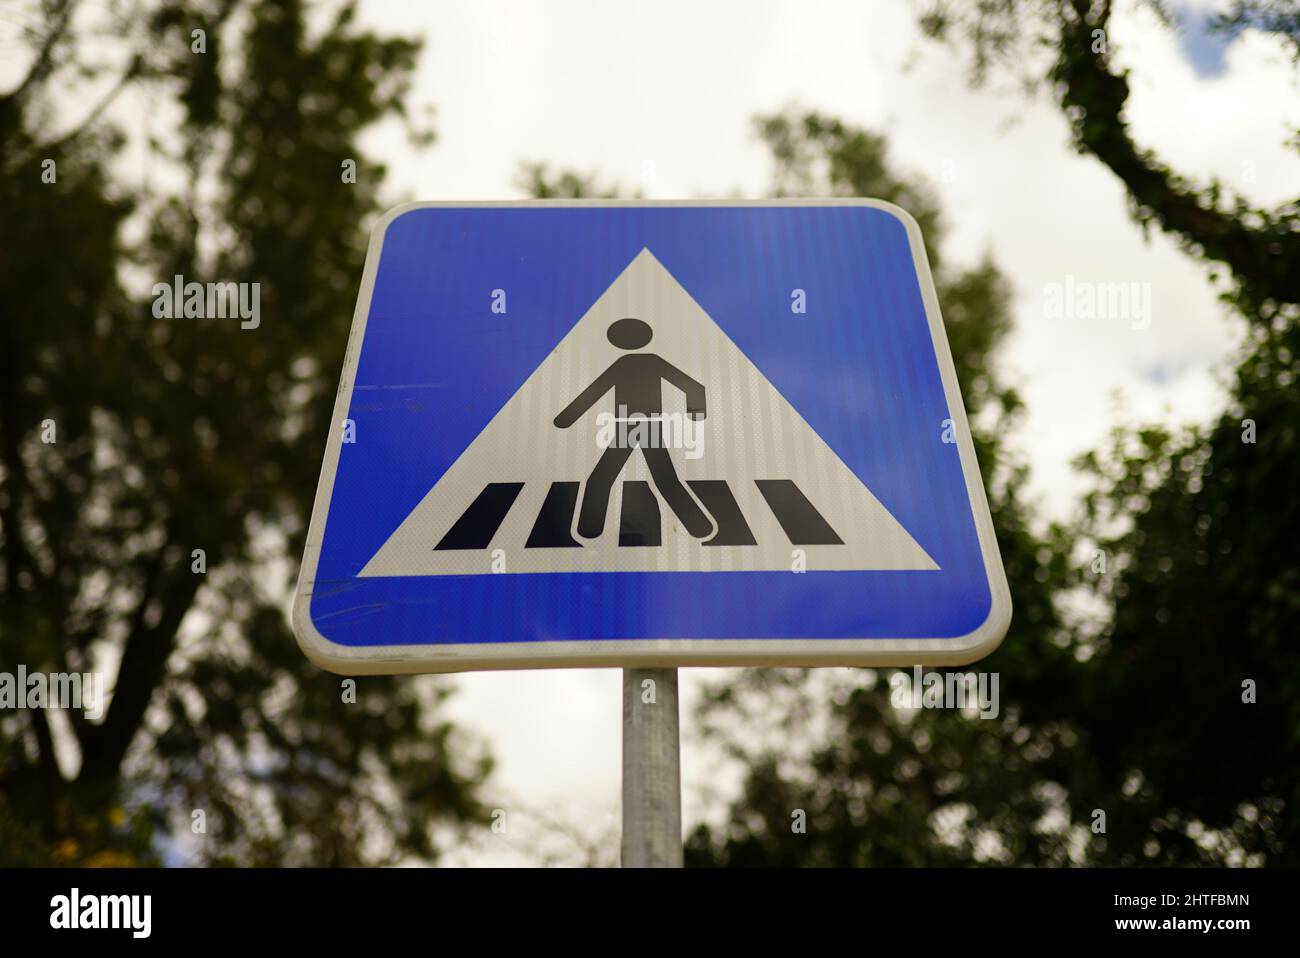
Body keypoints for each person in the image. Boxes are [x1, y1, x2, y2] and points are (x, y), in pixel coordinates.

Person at [553, 317, 713, 539]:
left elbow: (594, 392)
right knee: (662, 480)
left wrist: (566, 418)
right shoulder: (647, 362)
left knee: (603, 479)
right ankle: (700, 527)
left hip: (635, 428)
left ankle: (589, 530)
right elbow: (694, 387)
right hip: (637, 428)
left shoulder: (629, 363)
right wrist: (695, 412)